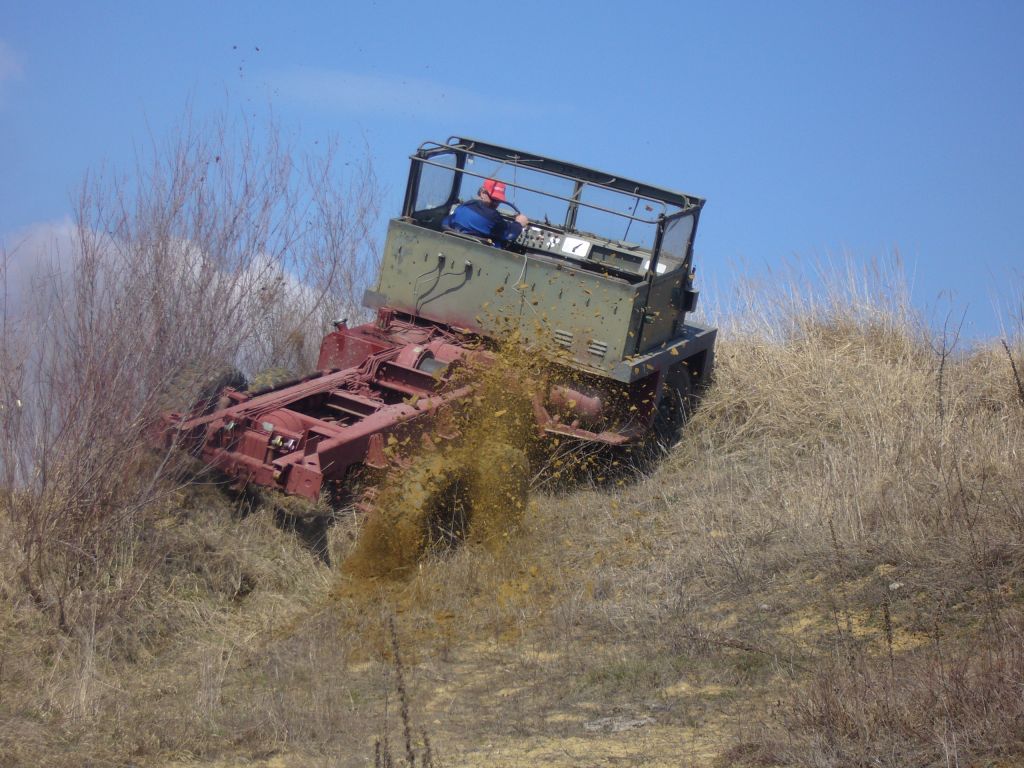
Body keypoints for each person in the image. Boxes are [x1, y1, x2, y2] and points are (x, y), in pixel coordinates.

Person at [442, 178, 529, 247]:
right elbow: (510, 234)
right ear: (483, 193)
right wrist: (519, 223)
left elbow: (446, 221)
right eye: (493, 199)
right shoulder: (492, 217)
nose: (496, 204)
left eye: (498, 201)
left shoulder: (463, 207)